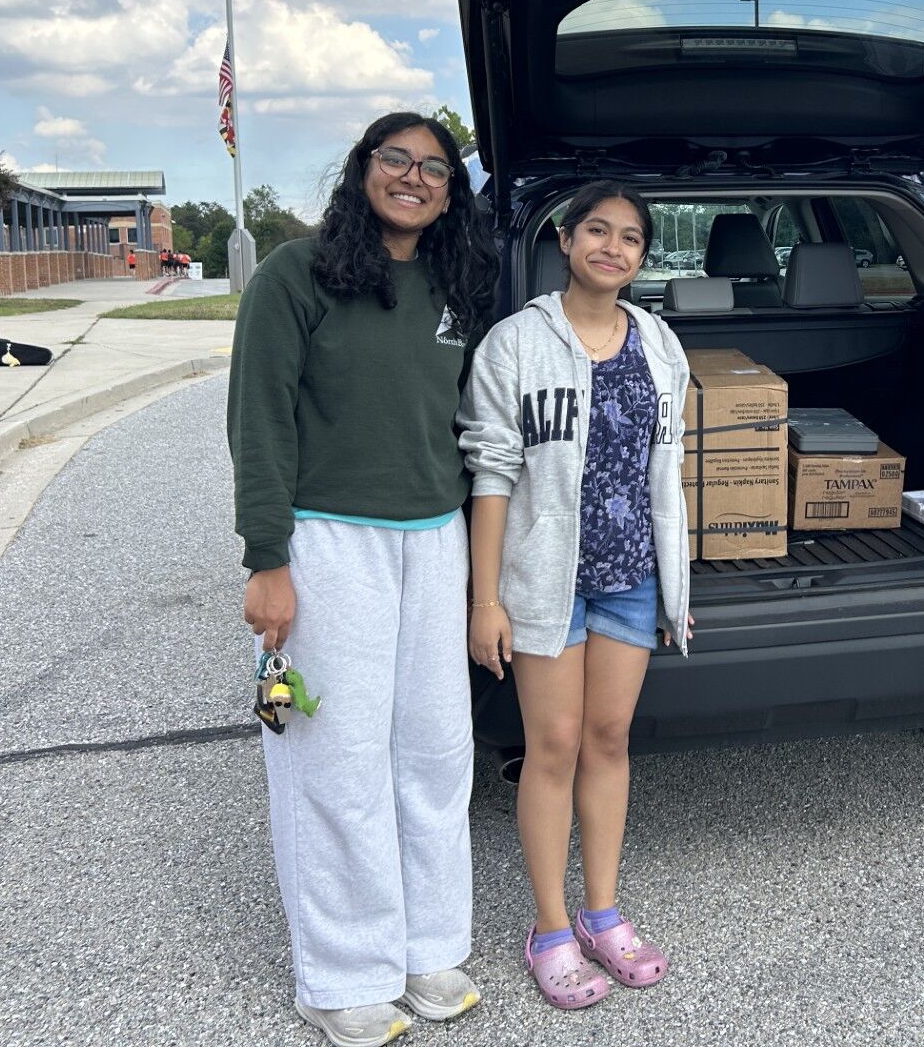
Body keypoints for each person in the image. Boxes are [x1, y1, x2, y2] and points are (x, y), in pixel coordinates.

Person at [228, 111, 498, 1046]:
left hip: (435, 538)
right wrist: (268, 561)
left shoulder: (457, 284)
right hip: (328, 540)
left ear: (450, 192)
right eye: (397, 160)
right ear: (362, 169)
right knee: (334, 755)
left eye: (434, 169)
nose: (415, 178)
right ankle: (340, 973)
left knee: (432, 753)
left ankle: (425, 946)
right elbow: (257, 422)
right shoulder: (292, 278)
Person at [459, 181, 692, 1011]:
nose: (614, 248)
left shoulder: (661, 345)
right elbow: (491, 475)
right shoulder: (514, 344)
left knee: (609, 740)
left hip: (630, 582)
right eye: (599, 229)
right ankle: (550, 929)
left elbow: (668, 475)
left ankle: (603, 912)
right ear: (565, 238)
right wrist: (485, 600)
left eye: (632, 238)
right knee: (550, 746)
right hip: (544, 585)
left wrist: (676, 584)